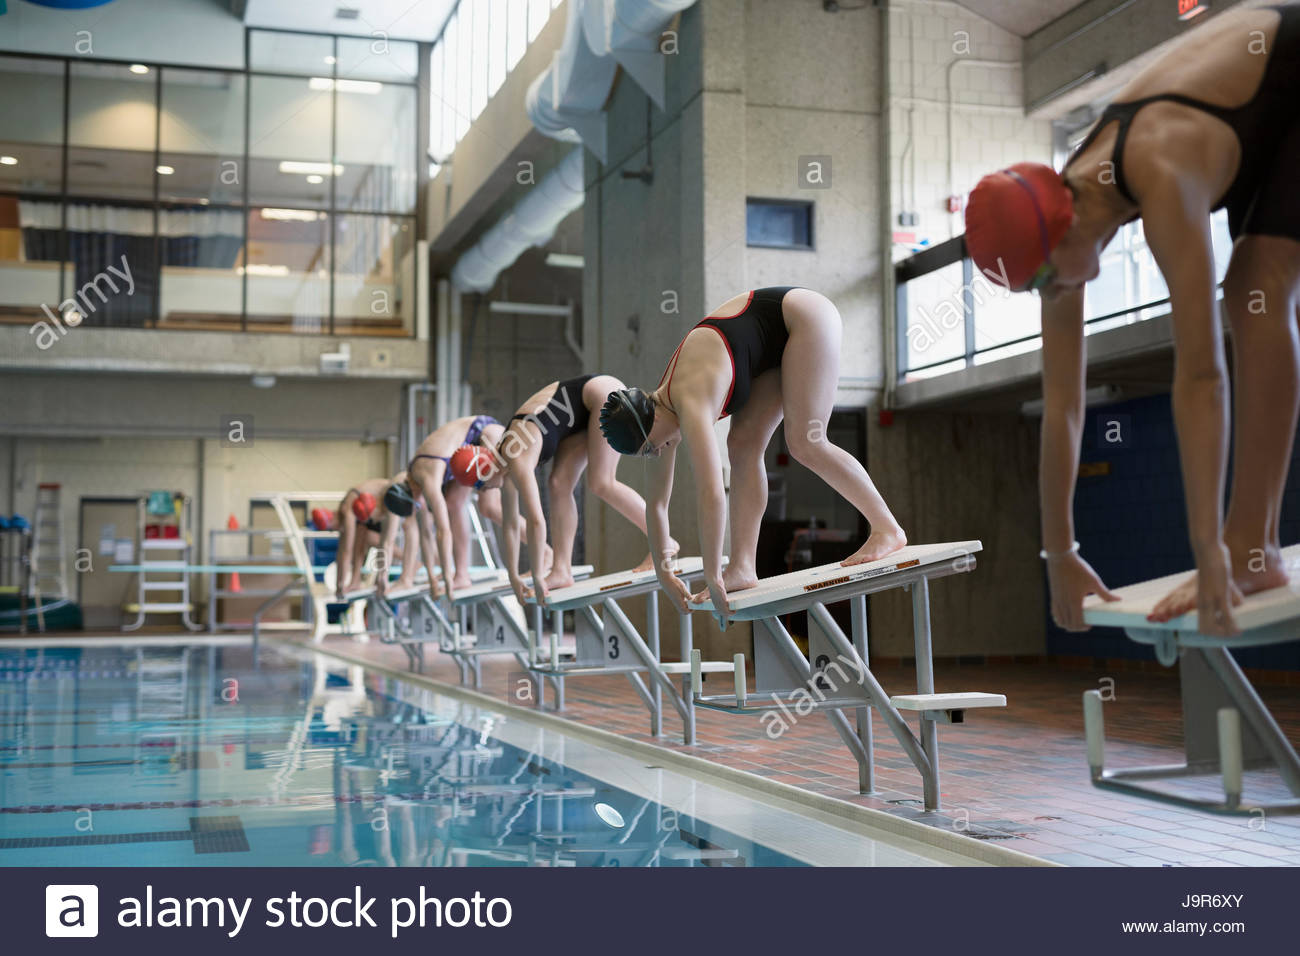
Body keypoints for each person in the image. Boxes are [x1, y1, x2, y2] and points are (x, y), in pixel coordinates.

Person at [965, 4, 1300, 637]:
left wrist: (1209, 554)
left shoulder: (1160, 170)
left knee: (1257, 287)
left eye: (1042, 279)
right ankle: (1254, 546)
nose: (1053, 293)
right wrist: (1059, 554)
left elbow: (1203, 375)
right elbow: (1062, 406)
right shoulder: (1061, 223)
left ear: (1062, 225)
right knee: (1257, 285)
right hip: (1256, 123)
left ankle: (1251, 550)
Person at [599, 287, 907, 618]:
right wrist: (664, 574)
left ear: (651, 418)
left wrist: (712, 573)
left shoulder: (690, 401)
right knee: (743, 445)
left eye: (649, 448)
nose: (656, 453)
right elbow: (657, 504)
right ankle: (743, 566)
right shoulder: (657, 414)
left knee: (806, 442)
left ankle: (886, 527)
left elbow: (712, 493)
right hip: (765, 346)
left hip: (803, 316)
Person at [447, 374, 673, 606]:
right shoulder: (504, 460)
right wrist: (514, 575)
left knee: (602, 482)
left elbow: (536, 521)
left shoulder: (517, 457)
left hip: (601, 395)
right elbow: (512, 524)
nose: (485, 492)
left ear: (483, 475)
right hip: (579, 415)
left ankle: (664, 544)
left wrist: (536, 576)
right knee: (558, 484)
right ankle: (562, 569)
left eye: (481, 487)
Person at [383, 414, 506, 601]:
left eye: (416, 505)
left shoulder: (426, 476)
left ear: (411, 496)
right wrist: (433, 578)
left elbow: (443, 530)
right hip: (467, 447)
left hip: (484, 432)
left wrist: (446, 579)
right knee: (454, 504)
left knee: (490, 508)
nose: (420, 507)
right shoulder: (417, 482)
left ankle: (545, 552)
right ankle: (462, 576)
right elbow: (426, 534)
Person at [335, 476, 418, 597]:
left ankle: (409, 574)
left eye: (370, 519)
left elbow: (387, 543)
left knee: (408, 526)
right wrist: (341, 583)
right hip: (396, 489)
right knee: (364, 536)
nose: (372, 522)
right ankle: (356, 580)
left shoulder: (391, 501)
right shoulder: (360, 505)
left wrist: (382, 578)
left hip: (404, 488)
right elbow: (345, 549)